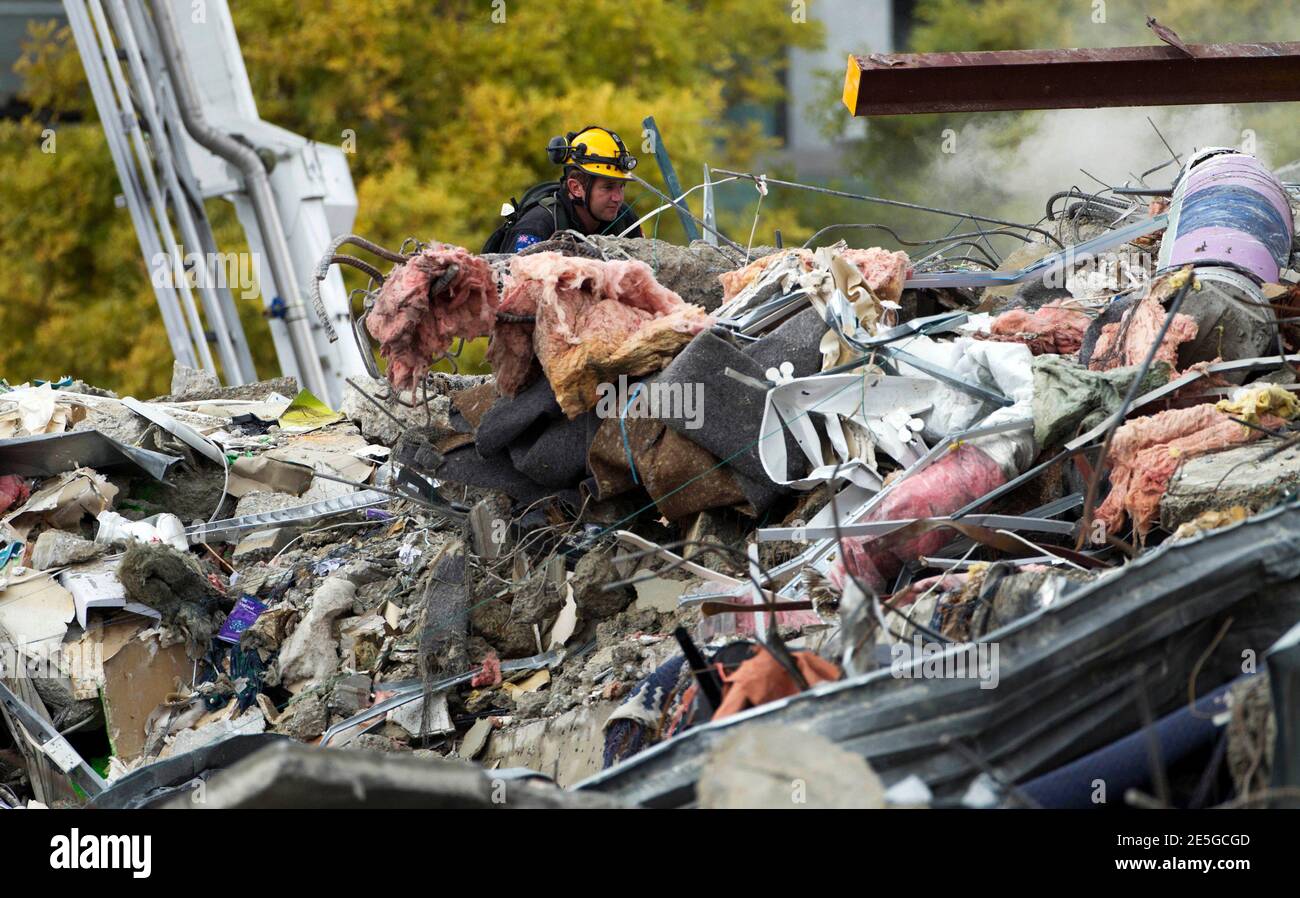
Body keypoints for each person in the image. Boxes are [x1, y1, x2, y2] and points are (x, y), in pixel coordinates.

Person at [484, 125, 643, 253]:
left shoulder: (625, 219)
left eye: (621, 187)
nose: (617, 198)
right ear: (576, 188)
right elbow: (511, 287)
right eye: (608, 187)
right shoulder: (537, 227)